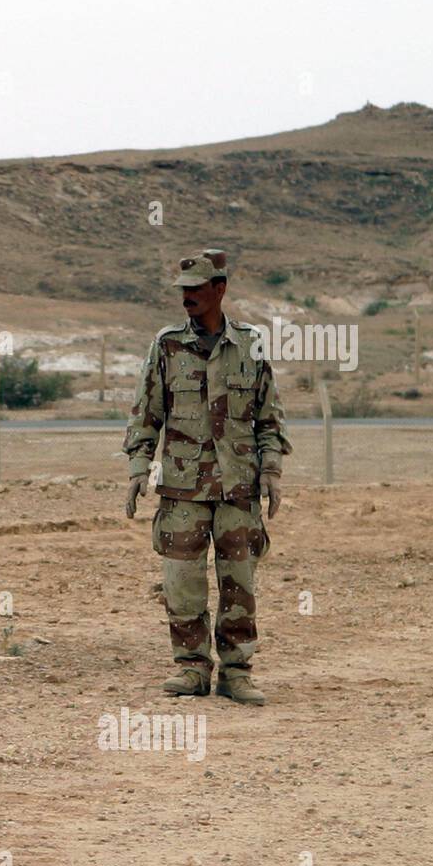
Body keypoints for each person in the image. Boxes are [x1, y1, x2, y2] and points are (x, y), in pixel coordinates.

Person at [123, 250, 291, 704]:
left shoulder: (250, 345)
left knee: (240, 582)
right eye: (184, 290)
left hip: (238, 488)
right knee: (182, 583)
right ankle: (192, 668)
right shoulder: (167, 345)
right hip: (182, 487)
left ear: (220, 289)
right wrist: (139, 467)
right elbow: (146, 415)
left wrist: (272, 471)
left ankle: (237, 672)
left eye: (197, 289)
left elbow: (268, 420)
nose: (188, 298)